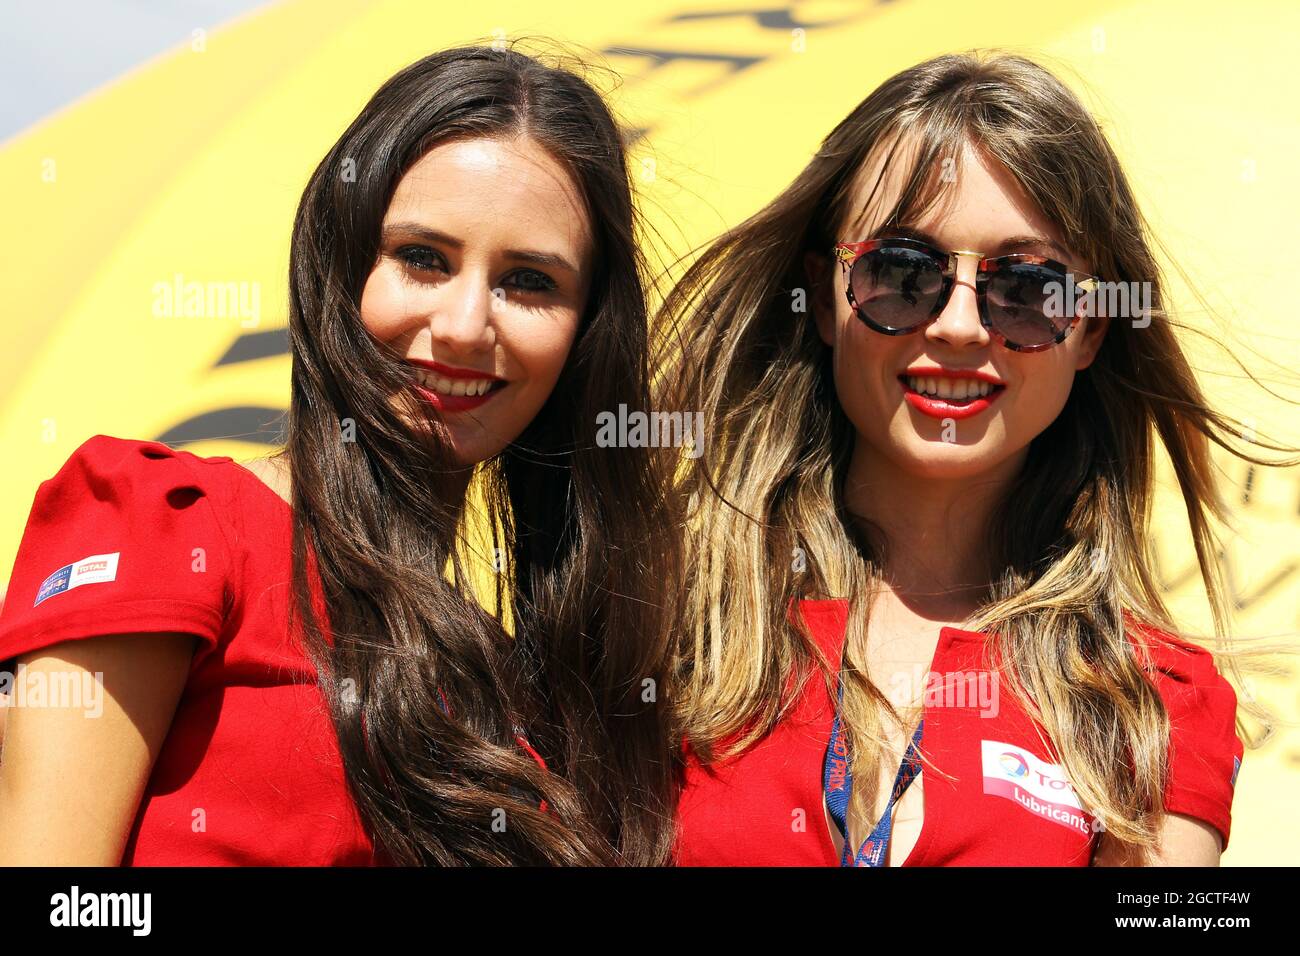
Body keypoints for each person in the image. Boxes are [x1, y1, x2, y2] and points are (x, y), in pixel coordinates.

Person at [0, 43, 680, 866]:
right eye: (422, 258)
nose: (466, 325)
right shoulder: (170, 526)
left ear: (584, 336)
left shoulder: (529, 690)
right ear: (341, 267)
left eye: (529, 281)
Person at [660, 51, 1296, 866]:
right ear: (823, 297)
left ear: (1092, 329)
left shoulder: (1157, 705)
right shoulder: (655, 618)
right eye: (901, 271)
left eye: (1027, 288)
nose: (959, 327)